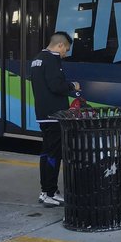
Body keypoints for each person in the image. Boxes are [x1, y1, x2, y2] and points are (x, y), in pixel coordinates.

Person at [30, 32, 80, 207]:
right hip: (54, 115)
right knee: (54, 155)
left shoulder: (37, 59)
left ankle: (46, 191)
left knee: (46, 153)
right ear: (60, 45)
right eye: (65, 50)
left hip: (43, 114)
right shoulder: (52, 60)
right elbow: (56, 86)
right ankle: (50, 193)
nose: (65, 54)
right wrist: (72, 86)